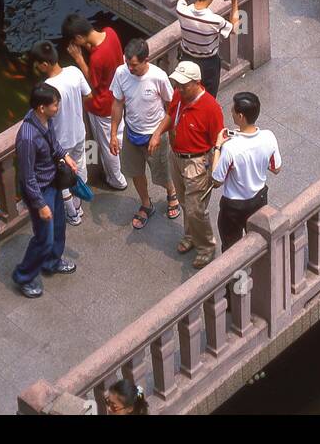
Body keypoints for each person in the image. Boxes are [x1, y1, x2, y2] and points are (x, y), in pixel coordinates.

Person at [152, 61, 224, 268]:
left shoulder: (211, 108)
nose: (179, 88)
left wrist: (216, 170)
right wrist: (158, 133)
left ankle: (206, 246)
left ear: (197, 83)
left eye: (184, 85)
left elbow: (218, 142)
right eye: (177, 84)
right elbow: (169, 116)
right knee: (184, 201)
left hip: (197, 162)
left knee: (195, 208)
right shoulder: (178, 95)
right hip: (176, 156)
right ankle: (191, 234)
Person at [12, 83, 80, 295]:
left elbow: (53, 143)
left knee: (59, 225)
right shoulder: (27, 137)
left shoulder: (45, 120)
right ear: (42, 107)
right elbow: (27, 176)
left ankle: (52, 261)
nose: (57, 107)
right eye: (55, 104)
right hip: (39, 191)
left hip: (52, 182)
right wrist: (40, 204)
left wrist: (64, 155)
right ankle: (24, 276)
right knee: (44, 237)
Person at [110, 39, 179, 229]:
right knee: (135, 172)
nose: (129, 69)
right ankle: (146, 203)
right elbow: (117, 103)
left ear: (145, 60)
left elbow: (170, 106)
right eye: (127, 63)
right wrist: (113, 133)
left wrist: (161, 133)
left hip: (155, 134)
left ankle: (172, 192)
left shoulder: (158, 77)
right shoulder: (121, 73)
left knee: (162, 172)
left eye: (133, 65)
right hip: (132, 132)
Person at [29, 41, 92, 225]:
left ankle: (73, 214)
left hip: (59, 143)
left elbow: (42, 117)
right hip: (79, 133)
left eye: (38, 64)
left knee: (62, 178)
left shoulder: (47, 87)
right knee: (80, 167)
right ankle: (79, 205)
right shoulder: (74, 71)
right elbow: (88, 95)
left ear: (44, 64)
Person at [63, 15, 126, 189]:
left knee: (107, 146)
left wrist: (79, 59)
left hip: (103, 105)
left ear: (78, 38)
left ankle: (117, 180)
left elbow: (93, 82)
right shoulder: (110, 32)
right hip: (118, 97)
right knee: (118, 134)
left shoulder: (96, 58)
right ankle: (121, 165)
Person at [211, 93, 281, 249]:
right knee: (259, 241)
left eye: (233, 110)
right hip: (259, 200)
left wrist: (217, 147)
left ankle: (236, 273)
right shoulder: (269, 137)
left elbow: (216, 180)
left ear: (241, 116)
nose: (231, 111)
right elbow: (276, 168)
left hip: (233, 208)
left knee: (231, 248)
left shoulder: (230, 148)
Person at [176, 0, 239, 97]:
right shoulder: (215, 20)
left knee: (186, 95)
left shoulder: (182, 11)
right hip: (208, 64)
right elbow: (234, 29)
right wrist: (234, 1)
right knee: (208, 97)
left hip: (187, 59)